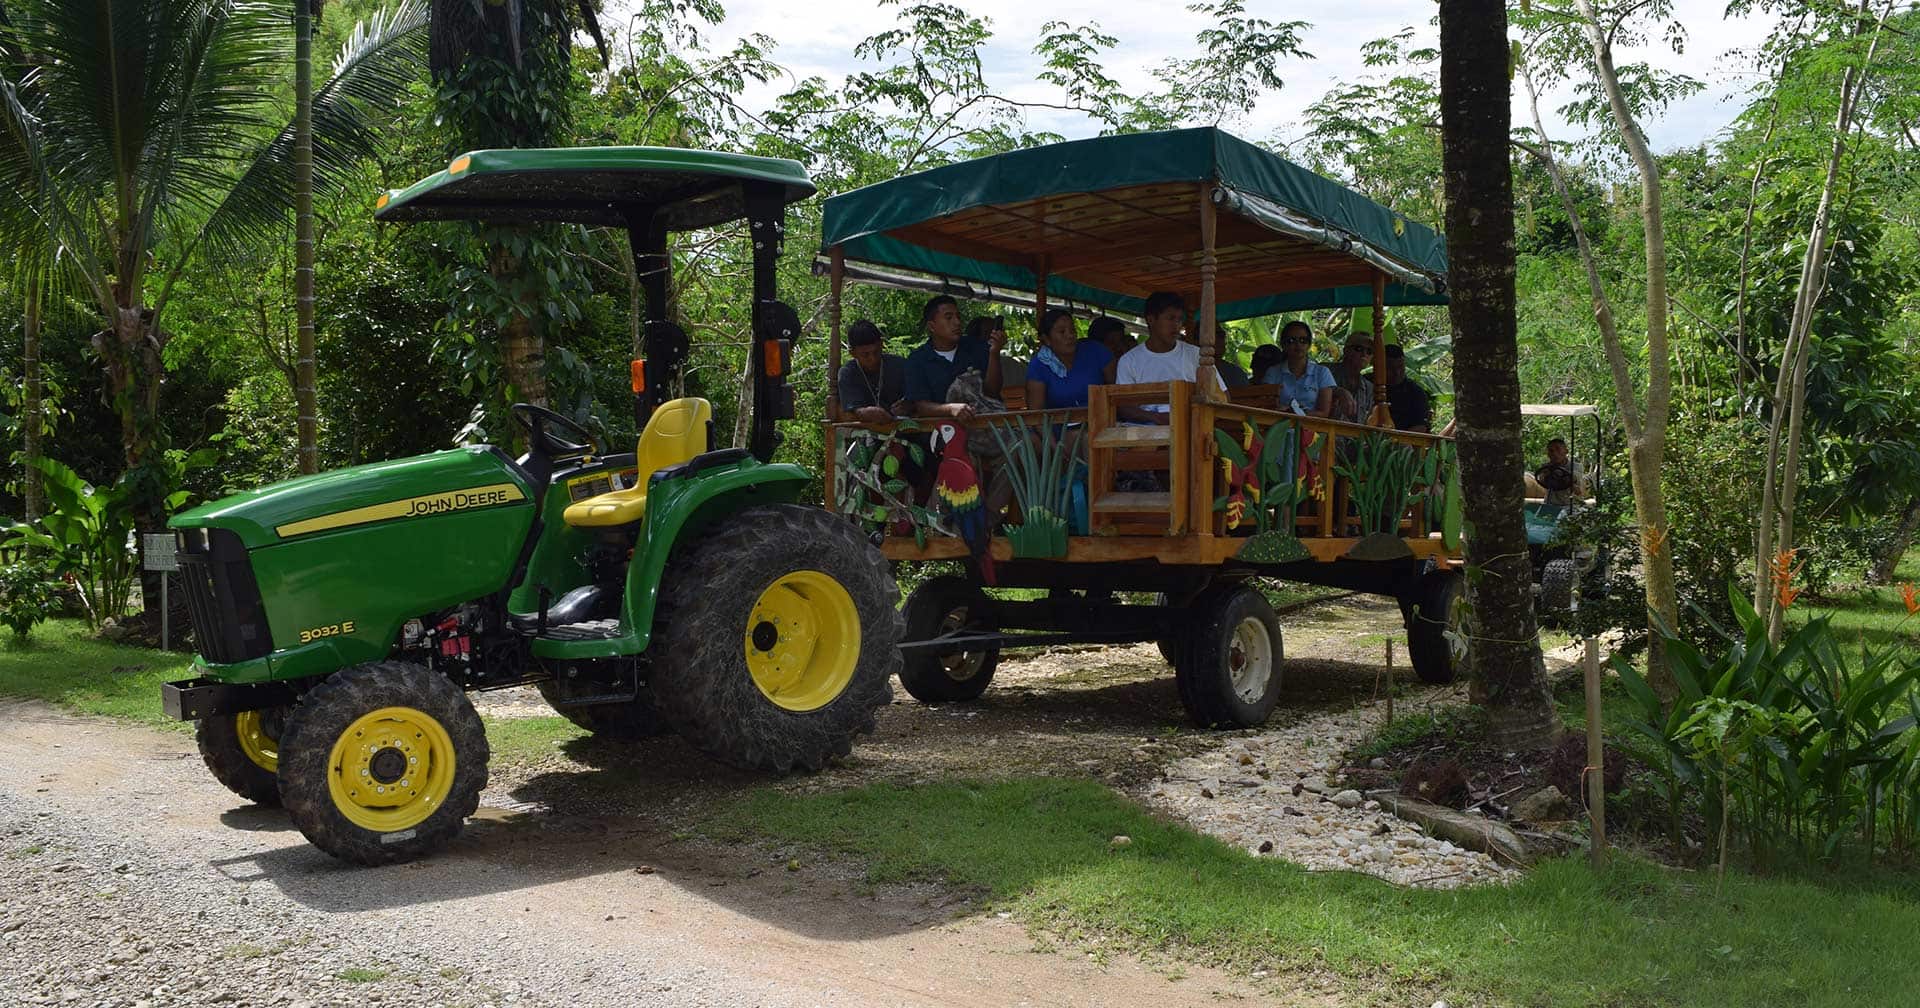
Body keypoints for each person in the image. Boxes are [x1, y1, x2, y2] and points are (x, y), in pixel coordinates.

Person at [1115, 292, 1224, 424]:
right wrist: (1158, 418)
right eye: (1171, 318)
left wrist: (1190, 417)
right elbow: (1124, 407)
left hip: (1192, 427)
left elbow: (1222, 398)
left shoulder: (1197, 356)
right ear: (1151, 320)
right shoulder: (1129, 361)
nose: (1177, 325)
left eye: (1180, 319)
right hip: (1147, 430)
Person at [904, 294, 1004, 420]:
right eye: (949, 317)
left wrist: (994, 353)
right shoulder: (917, 360)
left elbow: (993, 392)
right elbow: (922, 407)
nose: (957, 322)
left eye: (958, 317)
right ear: (932, 326)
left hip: (987, 423)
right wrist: (950, 409)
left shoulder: (978, 348)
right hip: (942, 429)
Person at [1025, 309, 1116, 410]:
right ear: (1046, 339)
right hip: (1059, 420)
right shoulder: (1039, 365)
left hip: (1101, 417)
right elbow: (1036, 412)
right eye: (1062, 332)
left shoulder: (1096, 350)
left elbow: (1117, 392)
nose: (1070, 335)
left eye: (1072, 330)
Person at [835, 319, 906, 424]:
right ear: (852, 353)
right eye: (865, 355)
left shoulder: (900, 365)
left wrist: (908, 405)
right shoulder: (848, 373)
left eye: (876, 352)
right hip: (868, 430)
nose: (872, 358)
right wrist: (864, 413)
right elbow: (849, 412)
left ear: (881, 345)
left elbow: (916, 397)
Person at [1258, 320, 1335, 417]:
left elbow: (1324, 413)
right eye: (1291, 341)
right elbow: (1266, 406)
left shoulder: (1322, 372)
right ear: (1283, 345)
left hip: (1311, 425)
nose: (1298, 345)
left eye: (1303, 340)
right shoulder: (1273, 372)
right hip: (1277, 424)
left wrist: (1297, 412)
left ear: (1309, 344)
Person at [1378, 343, 1431, 432]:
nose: (1397, 373)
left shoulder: (1415, 392)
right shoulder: (1367, 383)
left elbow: (1421, 426)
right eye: (1390, 368)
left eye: (1400, 367)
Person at [1325, 331, 1375, 424]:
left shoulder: (1369, 388)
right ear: (1346, 350)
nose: (1364, 354)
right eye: (1359, 349)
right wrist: (1337, 391)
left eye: (1369, 351)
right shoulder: (1325, 371)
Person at [970, 315, 1024, 387]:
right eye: (988, 333)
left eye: (995, 333)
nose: (994, 336)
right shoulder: (966, 367)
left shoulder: (1011, 365)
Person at [1533, 437, 1584, 508]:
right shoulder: (1545, 467)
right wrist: (1545, 476)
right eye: (1551, 451)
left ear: (1566, 451)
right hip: (1550, 503)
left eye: (1558, 449)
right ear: (1548, 454)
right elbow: (1542, 480)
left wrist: (1556, 473)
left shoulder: (1576, 466)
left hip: (1570, 505)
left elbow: (1573, 478)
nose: (1554, 453)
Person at [1213, 323, 1251, 389]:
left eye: (1222, 336)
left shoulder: (1235, 372)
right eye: (1218, 335)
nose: (1223, 340)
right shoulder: (1194, 368)